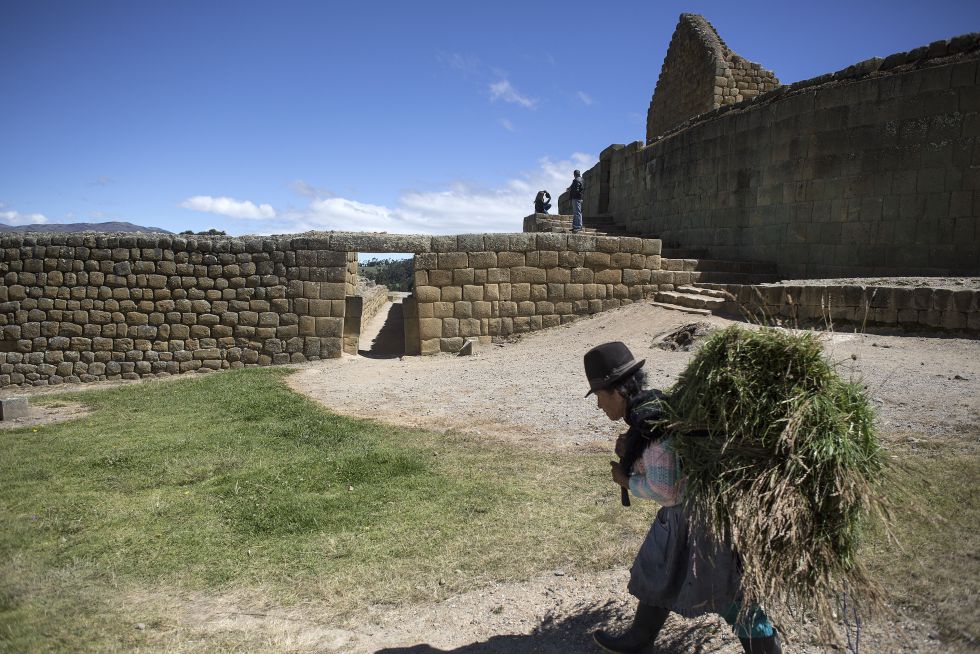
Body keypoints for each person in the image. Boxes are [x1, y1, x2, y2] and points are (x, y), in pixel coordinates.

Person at [582, 342, 782, 654]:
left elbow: (667, 489)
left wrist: (627, 480)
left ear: (618, 391)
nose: (598, 405)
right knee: (659, 569)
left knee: (732, 595)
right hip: (687, 518)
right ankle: (640, 638)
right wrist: (630, 454)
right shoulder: (650, 412)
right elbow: (663, 464)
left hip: (699, 522)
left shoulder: (650, 423)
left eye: (599, 396)